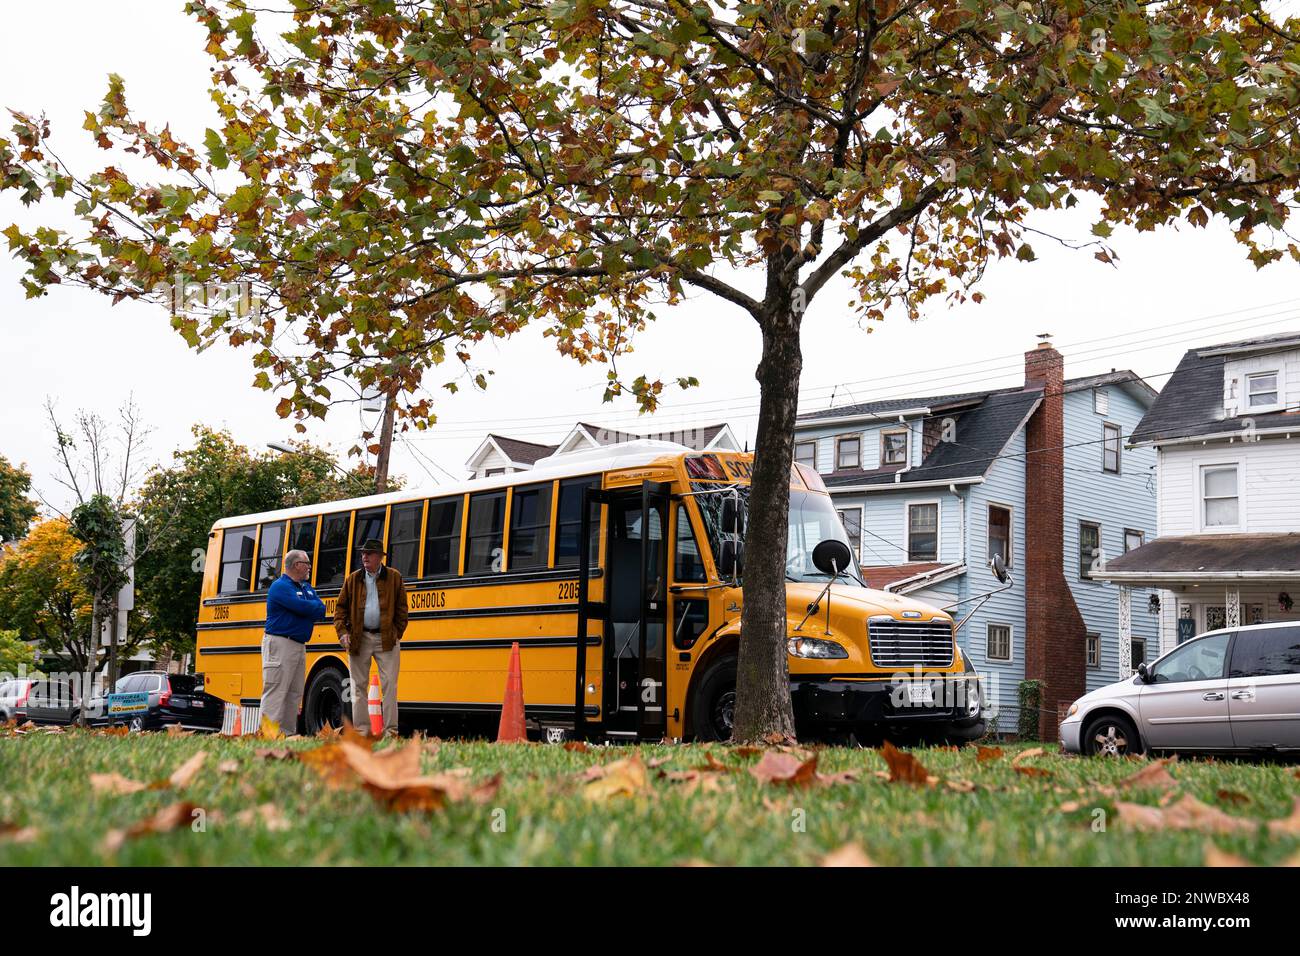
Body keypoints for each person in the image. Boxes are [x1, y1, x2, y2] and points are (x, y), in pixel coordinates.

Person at [334, 538, 409, 736]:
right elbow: (339, 609)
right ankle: (361, 732)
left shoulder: (394, 577)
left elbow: (402, 610)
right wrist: (343, 633)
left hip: (387, 639)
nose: (365, 556)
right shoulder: (353, 579)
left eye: (369, 553)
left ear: (380, 557)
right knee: (358, 687)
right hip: (360, 638)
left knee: (390, 686)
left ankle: (391, 731)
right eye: (363, 553)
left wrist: (396, 633)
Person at [262, 549, 326, 733]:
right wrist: (309, 607)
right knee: (276, 690)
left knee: (294, 692)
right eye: (307, 564)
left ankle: (287, 734)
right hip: (280, 643)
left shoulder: (305, 587)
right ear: (297, 565)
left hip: (299, 644)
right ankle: (268, 734)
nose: (309, 568)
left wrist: (309, 607)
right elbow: (301, 607)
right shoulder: (280, 587)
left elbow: (321, 610)